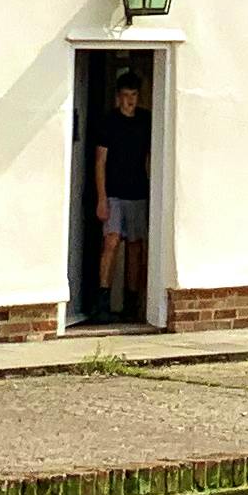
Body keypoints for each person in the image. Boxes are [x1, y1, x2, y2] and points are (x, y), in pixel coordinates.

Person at [91, 70, 153, 323]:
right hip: (114, 192)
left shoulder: (147, 121)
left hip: (138, 191)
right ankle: (103, 299)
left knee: (136, 246)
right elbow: (100, 161)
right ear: (118, 97)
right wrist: (101, 197)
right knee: (112, 241)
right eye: (126, 95)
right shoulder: (109, 122)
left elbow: (152, 156)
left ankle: (131, 301)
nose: (130, 101)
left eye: (134, 95)